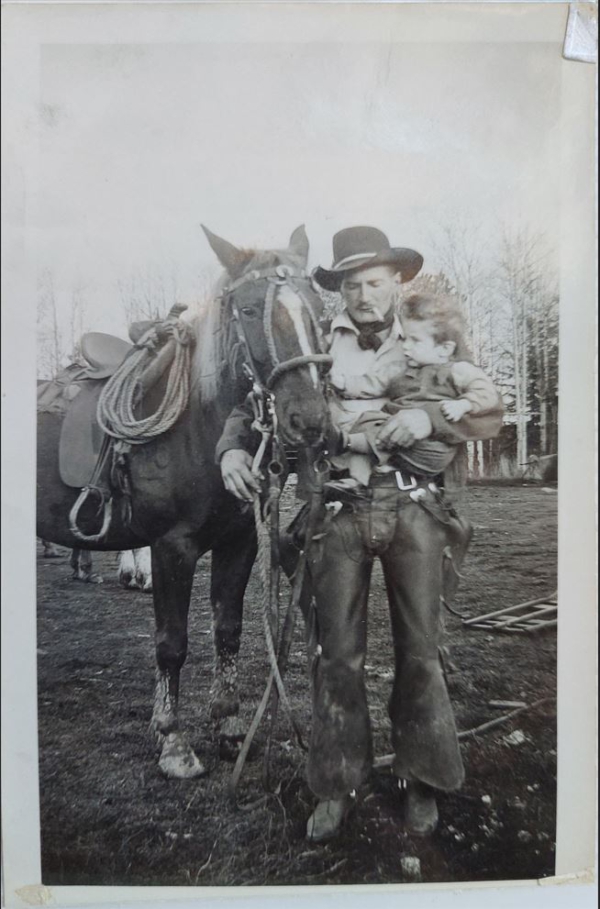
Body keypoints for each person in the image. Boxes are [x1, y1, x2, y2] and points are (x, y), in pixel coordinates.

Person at [218, 226, 504, 842]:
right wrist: (231, 452)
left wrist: (428, 415)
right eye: (351, 284)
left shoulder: (434, 339)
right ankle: (336, 784)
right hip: (338, 511)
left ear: (398, 281)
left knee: (420, 652)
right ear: (338, 290)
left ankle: (422, 780)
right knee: (336, 657)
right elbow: (252, 398)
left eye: (374, 282)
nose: (363, 295)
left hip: (415, 511)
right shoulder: (314, 336)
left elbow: (487, 411)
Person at [336, 292, 500, 482]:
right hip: (393, 434)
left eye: (415, 341)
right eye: (405, 339)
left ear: (445, 349)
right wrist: (344, 383)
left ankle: (345, 442)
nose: (405, 347)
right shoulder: (400, 368)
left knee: (385, 438)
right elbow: (373, 383)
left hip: (430, 448)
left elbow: (487, 393)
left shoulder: (458, 370)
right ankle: (357, 482)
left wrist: (464, 404)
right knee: (368, 420)